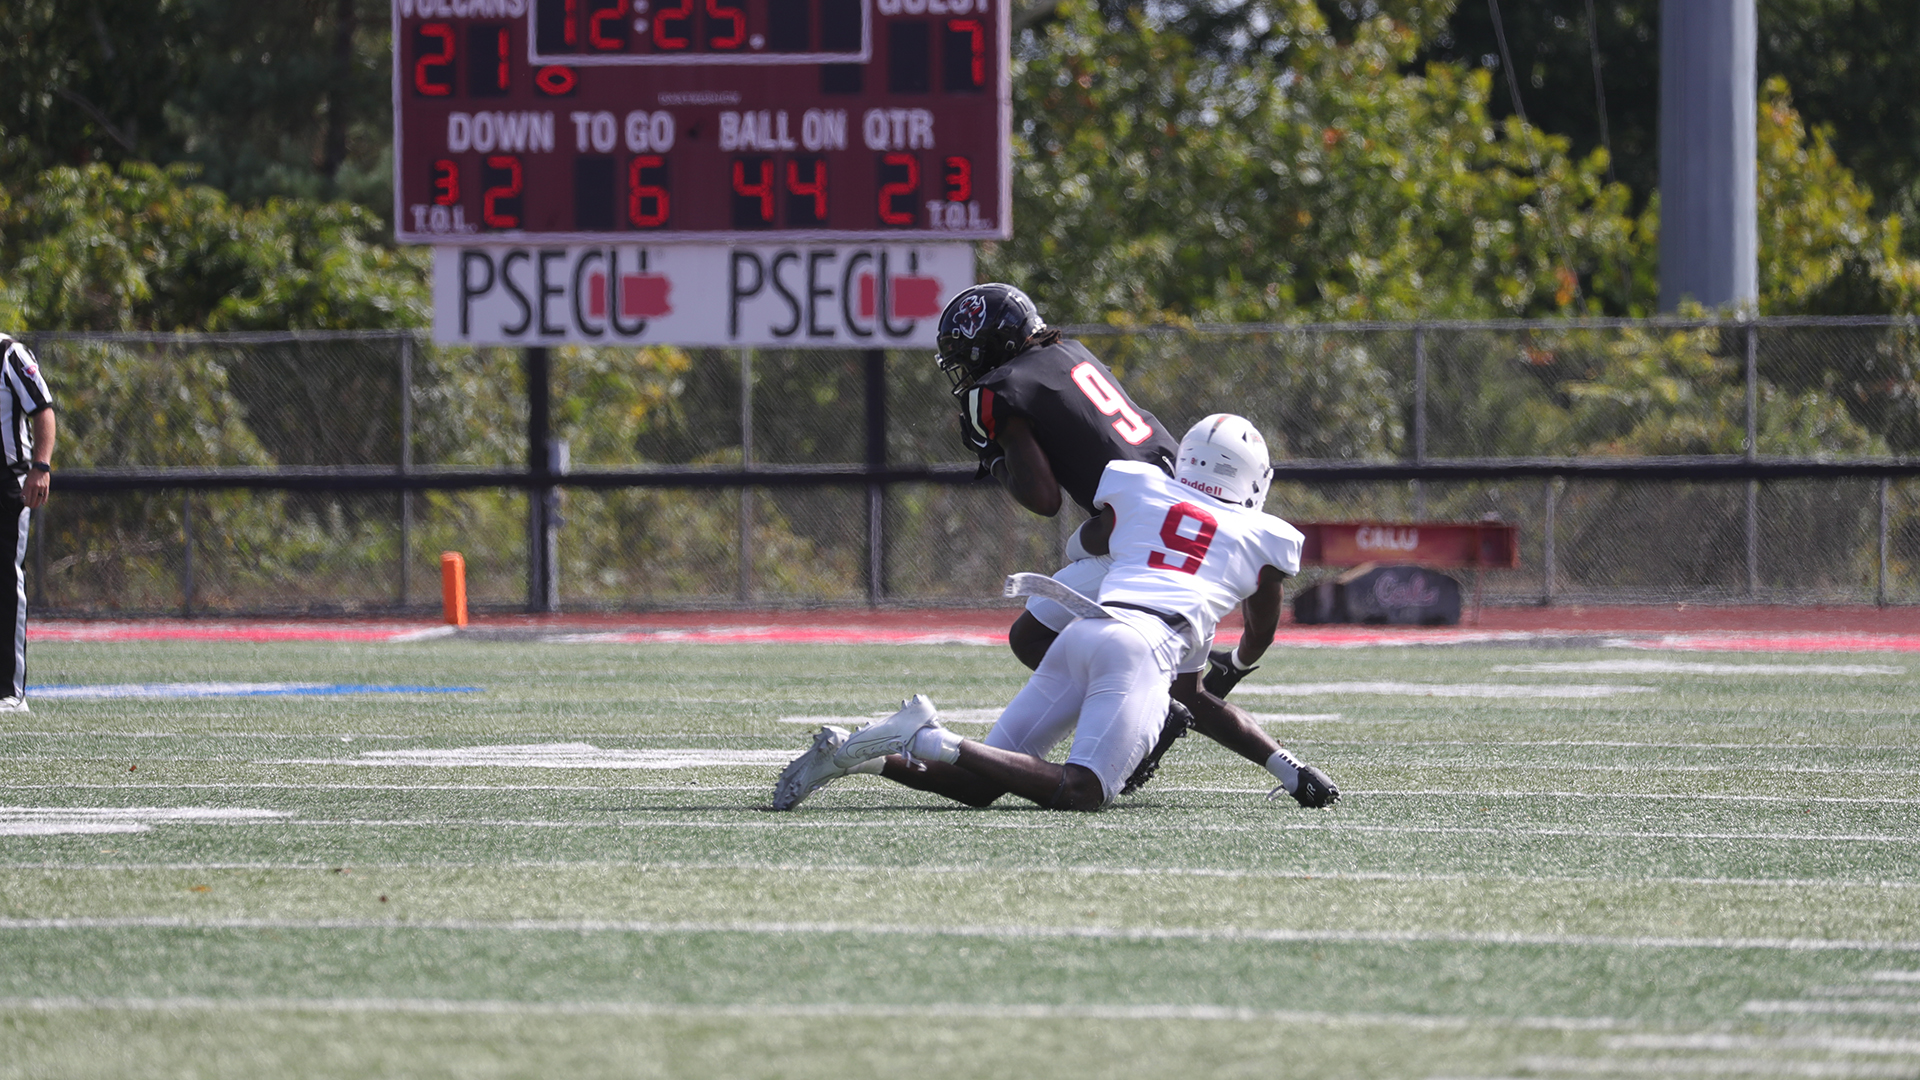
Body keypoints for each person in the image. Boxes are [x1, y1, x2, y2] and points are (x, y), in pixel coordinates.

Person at [773, 414, 1339, 812]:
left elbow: (1087, 541)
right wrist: (1238, 664)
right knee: (1082, 791)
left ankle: (852, 753)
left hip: (1088, 628)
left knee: (974, 785)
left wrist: (1287, 769)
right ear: (1253, 482)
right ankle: (927, 739)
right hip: (1138, 647)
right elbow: (1261, 631)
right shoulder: (1261, 540)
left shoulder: (1143, 490)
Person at [933, 282, 1318, 797]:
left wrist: (998, 455)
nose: (965, 369)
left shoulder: (1000, 387)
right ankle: (1173, 718)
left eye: (965, 354)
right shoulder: (1069, 352)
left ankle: (1144, 720)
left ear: (989, 342)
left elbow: (1044, 499)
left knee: (1036, 639)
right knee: (1177, 683)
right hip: (1175, 510)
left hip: (1139, 531)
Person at [0, 332, 55, 713]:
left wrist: (40, 466)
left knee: (4, 581)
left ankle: (9, 690)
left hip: (6, 484)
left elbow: (43, 409)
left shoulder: (10, 354)